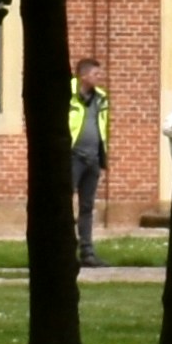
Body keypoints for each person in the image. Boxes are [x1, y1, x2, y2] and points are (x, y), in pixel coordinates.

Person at [68, 69, 113, 253]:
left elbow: (103, 126)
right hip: (72, 156)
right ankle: (63, 248)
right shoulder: (68, 94)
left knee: (87, 206)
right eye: (95, 73)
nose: (99, 76)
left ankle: (87, 250)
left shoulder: (101, 98)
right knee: (64, 203)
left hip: (93, 158)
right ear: (83, 76)